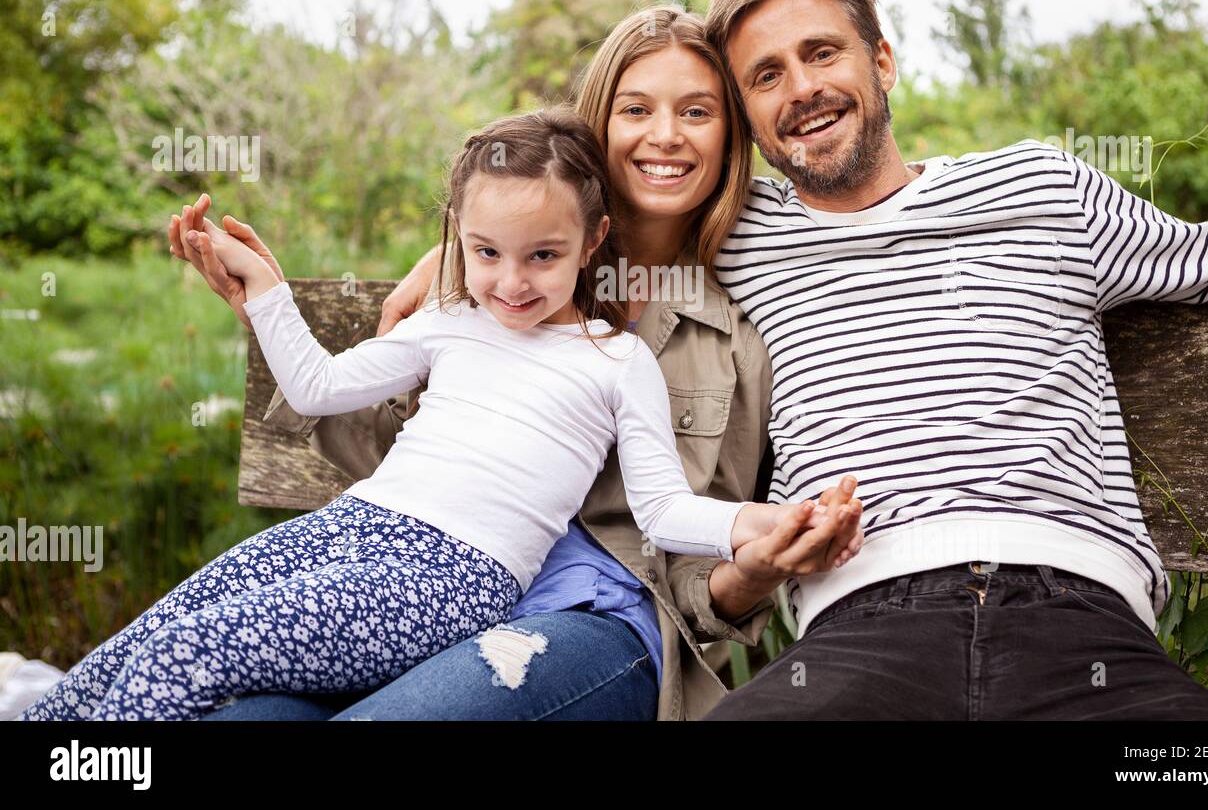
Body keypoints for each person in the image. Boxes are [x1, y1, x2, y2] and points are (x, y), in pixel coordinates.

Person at [22, 106, 848, 722]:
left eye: (543, 256)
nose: (513, 281)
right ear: (458, 234)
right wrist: (266, 292)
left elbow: (664, 508)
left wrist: (755, 524)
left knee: (193, 652)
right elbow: (316, 387)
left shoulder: (613, 360)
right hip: (346, 526)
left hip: (448, 576)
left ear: (594, 238)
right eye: (487, 251)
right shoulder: (450, 320)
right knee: (156, 630)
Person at [693, 0, 1208, 719]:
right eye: (766, 75)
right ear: (745, 114)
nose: (802, 88)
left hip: (1082, 623)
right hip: (859, 636)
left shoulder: (1041, 191)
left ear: (882, 61)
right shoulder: (736, 239)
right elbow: (561, 236)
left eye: (821, 53)